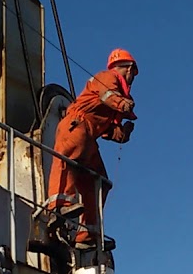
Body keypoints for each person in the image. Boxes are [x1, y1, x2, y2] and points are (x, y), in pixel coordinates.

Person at [46, 48, 138, 247]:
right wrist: (122, 104)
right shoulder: (108, 77)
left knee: (99, 182)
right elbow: (107, 96)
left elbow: (109, 132)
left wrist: (124, 133)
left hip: (89, 137)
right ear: (129, 69)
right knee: (67, 161)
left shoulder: (118, 92)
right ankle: (59, 206)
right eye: (133, 74)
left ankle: (88, 233)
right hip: (76, 125)